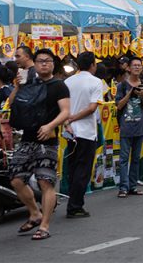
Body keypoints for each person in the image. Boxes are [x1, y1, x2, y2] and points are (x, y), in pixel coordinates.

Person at [8, 48, 70, 240]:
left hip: (47, 140)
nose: (44, 64)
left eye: (48, 61)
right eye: (40, 61)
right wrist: (17, 88)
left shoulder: (59, 85)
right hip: (27, 138)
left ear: (53, 64)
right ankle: (35, 213)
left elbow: (66, 111)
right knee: (16, 179)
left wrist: (50, 126)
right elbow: (11, 105)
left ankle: (44, 226)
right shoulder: (27, 84)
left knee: (46, 182)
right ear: (34, 64)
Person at [62, 52, 102, 218]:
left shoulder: (68, 81)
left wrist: (68, 121)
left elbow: (63, 107)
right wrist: (74, 118)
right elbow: (92, 108)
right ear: (92, 64)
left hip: (70, 131)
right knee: (83, 170)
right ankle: (75, 205)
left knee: (73, 168)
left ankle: (74, 202)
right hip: (85, 132)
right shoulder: (96, 82)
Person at [115, 57, 143, 198]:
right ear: (128, 68)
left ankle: (133, 186)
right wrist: (130, 93)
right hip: (126, 127)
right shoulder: (122, 86)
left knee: (136, 158)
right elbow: (118, 106)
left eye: (139, 65)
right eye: (134, 65)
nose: (137, 68)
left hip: (140, 126)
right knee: (124, 158)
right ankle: (123, 187)